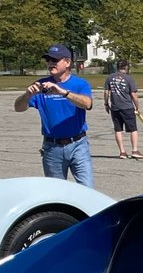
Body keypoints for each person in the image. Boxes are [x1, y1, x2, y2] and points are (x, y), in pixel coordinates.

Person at [14, 44, 95, 185]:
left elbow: (87, 104)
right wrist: (27, 95)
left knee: (87, 188)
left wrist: (64, 92)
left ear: (67, 62)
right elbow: (18, 108)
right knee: (57, 191)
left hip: (78, 145)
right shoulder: (40, 85)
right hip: (52, 147)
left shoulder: (80, 84)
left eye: (55, 60)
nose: (51, 63)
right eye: (48, 60)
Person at [105, 58, 143, 159]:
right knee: (133, 129)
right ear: (126, 67)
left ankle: (122, 152)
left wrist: (106, 103)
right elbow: (133, 94)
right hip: (127, 107)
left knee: (118, 130)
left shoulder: (110, 78)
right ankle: (134, 150)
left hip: (115, 107)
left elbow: (106, 92)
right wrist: (137, 107)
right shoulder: (128, 78)